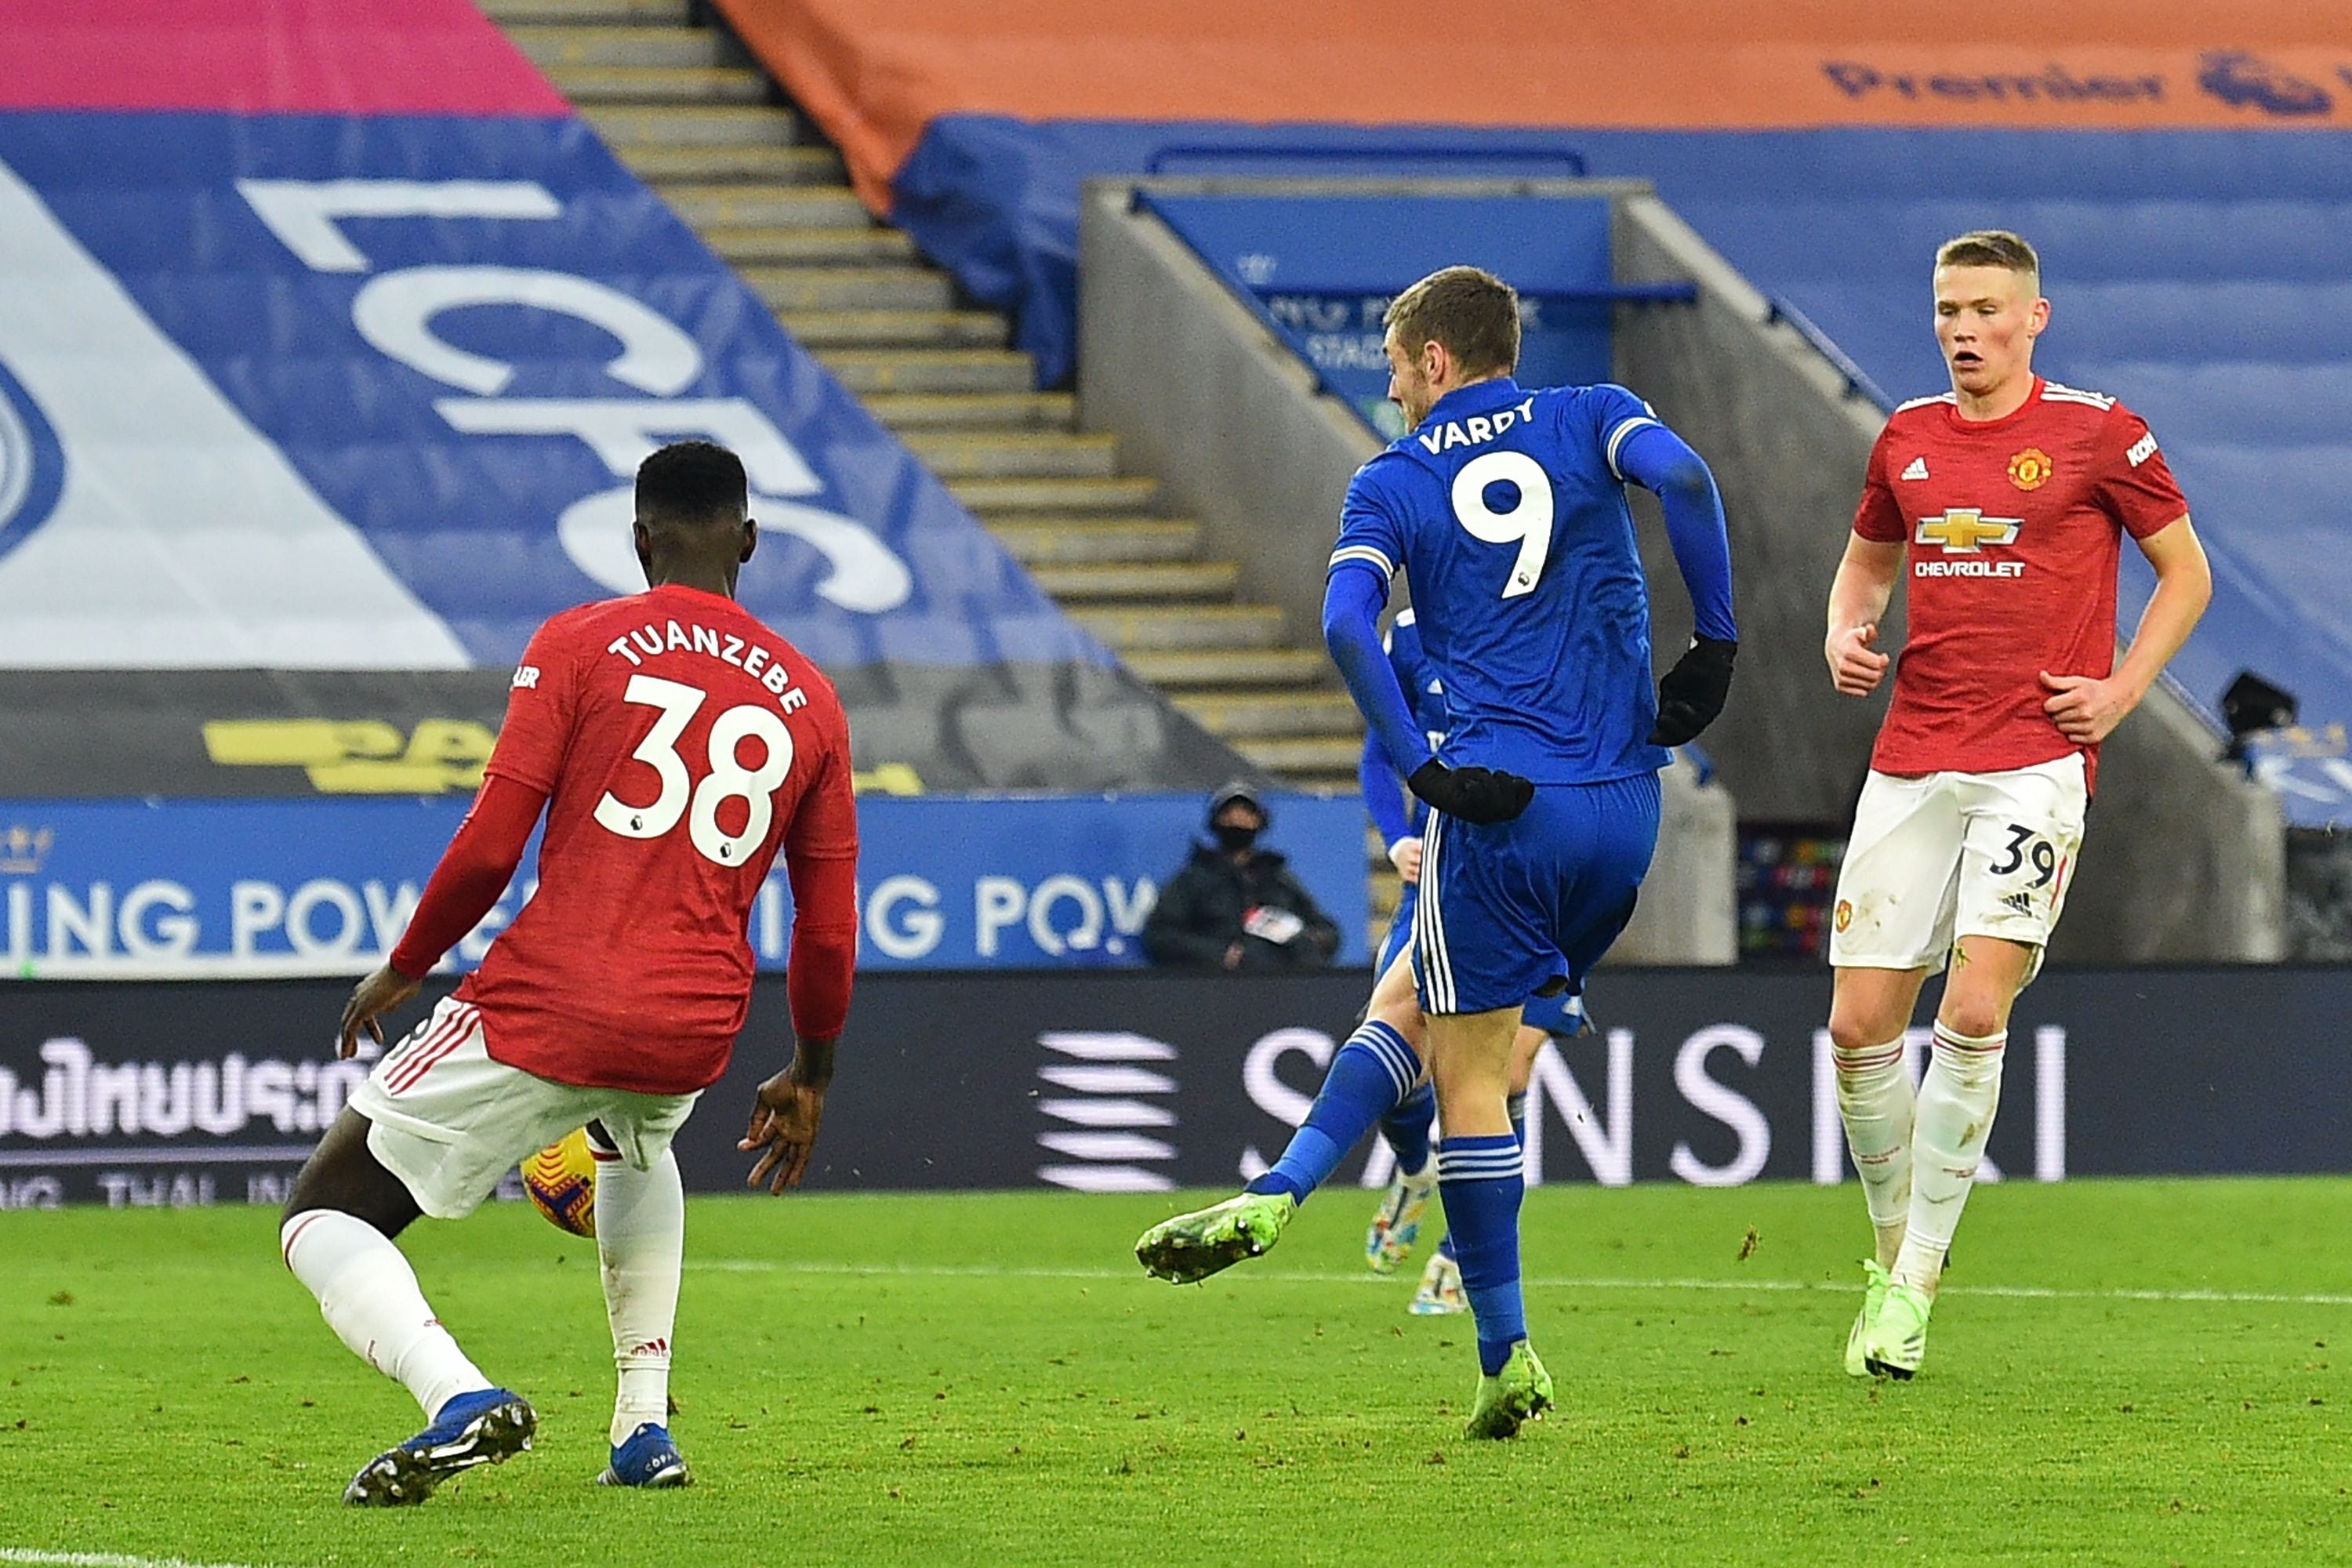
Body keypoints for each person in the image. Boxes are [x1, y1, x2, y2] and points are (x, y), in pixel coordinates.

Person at [1136, 265, 1737, 1439]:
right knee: (1416, 994)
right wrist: (1713, 645)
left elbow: (1344, 624)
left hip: (1499, 802)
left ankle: (1499, 1349)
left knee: (1463, 1077)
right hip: (1624, 809)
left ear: (1438, 362)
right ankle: (1288, 1184)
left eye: (1399, 368)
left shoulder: (1394, 479)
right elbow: (1689, 477)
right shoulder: (1595, 413)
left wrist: (1419, 772)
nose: (1397, 390)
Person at [276, 440, 859, 1504]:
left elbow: (496, 844)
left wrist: (407, 966)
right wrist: (811, 1072)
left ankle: (456, 1396)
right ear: (752, 542)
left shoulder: (582, 642)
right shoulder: (813, 699)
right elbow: (825, 928)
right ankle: (643, 1430)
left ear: (639, 540)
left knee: (325, 1213)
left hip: (556, 998)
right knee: (635, 1142)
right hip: (693, 1021)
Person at [1824, 230, 2209, 1381]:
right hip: (1912, 756)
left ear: (2035, 318)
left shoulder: (2101, 432)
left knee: (1977, 1011)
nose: (1963, 328)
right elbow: (1866, 565)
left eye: (1988, 309)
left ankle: (1918, 1286)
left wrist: (2122, 692)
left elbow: (2185, 573)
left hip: (2034, 756)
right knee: (1856, 1031)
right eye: (1949, 308)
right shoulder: (1908, 436)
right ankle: (1892, 1257)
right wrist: (1844, 631)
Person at [1358, 609, 1589, 1316]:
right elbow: (1378, 753)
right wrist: (1398, 838)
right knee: (1391, 1058)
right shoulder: (1407, 633)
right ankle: (1416, 1167)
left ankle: (1464, 1254)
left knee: (1507, 1066)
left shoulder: (1549, 617)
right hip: (1444, 883)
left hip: (1541, 883)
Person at [1141, 782, 1341, 970]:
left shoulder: (1279, 878)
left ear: (1260, 822)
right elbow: (1160, 935)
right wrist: (1221, 955)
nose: (1238, 821)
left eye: (1246, 814)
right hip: (1215, 989)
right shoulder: (1194, 879)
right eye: (1229, 814)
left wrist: (1304, 945)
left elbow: (1327, 933)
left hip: (1281, 987)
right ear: (1215, 821)